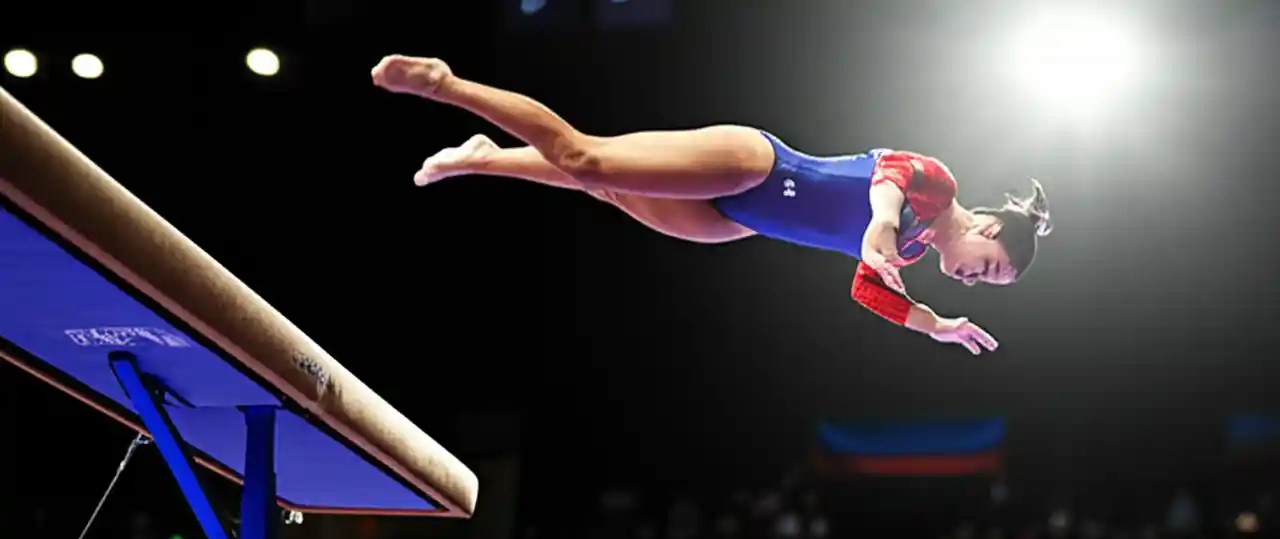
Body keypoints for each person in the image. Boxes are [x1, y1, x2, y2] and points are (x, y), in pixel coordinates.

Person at [370, 55, 1054, 355]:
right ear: (988, 228)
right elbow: (892, 173)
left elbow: (866, 293)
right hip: (758, 167)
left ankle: (487, 156)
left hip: (730, 223)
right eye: (989, 267)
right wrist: (879, 222)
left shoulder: (907, 252)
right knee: (586, 157)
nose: (976, 279)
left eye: (986, 284)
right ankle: (446, 83)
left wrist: (936, 324)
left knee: (598, 185)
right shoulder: (940, 190)